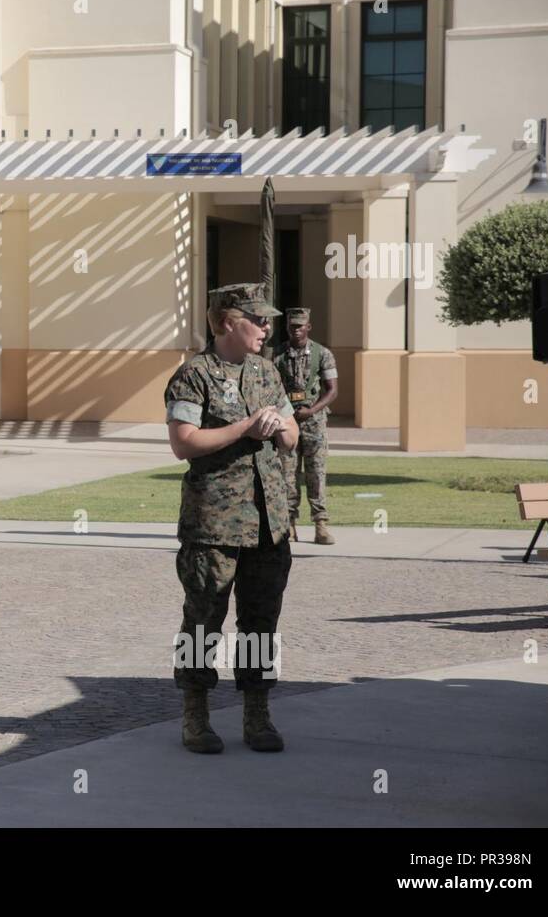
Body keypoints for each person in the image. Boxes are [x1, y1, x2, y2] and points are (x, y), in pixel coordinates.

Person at [163, 283, 298, 754]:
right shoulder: (192, 376)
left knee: (262, 621)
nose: (267, 327)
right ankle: (195, 714)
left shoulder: (267, 372)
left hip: (269, 523)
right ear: (226, 323)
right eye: (257, 319)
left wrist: (280, 428)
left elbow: (293, 433)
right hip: (214, 525)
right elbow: (184, 443)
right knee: (203, 619)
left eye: (267, 319)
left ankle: (257, 714)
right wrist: (243, 427)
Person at [272, 308, 338, 545]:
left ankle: (321, 525)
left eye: (300, 326)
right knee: (287, 475)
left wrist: (311, 410)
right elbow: (271, 389)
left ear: (309, 327)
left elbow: (332, 390)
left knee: (316, 474)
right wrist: (285, 413)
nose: (296, 330)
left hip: (314, 423)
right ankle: (289, 525)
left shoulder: (323, 354)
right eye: (292, 326)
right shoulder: (277, 355)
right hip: (287, 422)